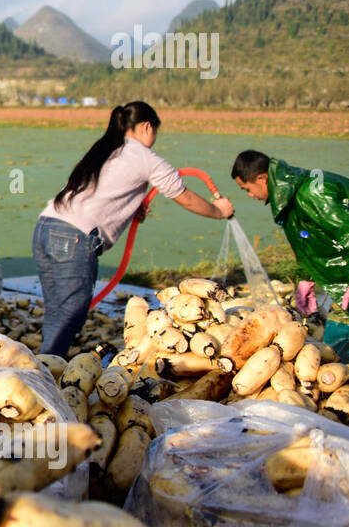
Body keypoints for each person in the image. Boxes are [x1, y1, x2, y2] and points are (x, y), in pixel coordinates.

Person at [34, 101, 234, 356]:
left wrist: (132, 206)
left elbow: (103, 191)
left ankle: (44, 365)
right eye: (154, 134)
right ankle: (46, 375)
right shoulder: (144, 158)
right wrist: (219, 211)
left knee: (57, 313)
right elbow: (184, 196)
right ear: (146, 127)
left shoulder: (105, 149)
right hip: (73, 239)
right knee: (69, 316)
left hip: (46, 228)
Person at [232, 149, 349, 361]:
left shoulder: (311, 194)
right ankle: (336, 368)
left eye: (247, 189)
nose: (251, 196)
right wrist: (306, 279)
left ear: (262, 178)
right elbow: (306, 241)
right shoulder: (289, 198)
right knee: (341, 326)